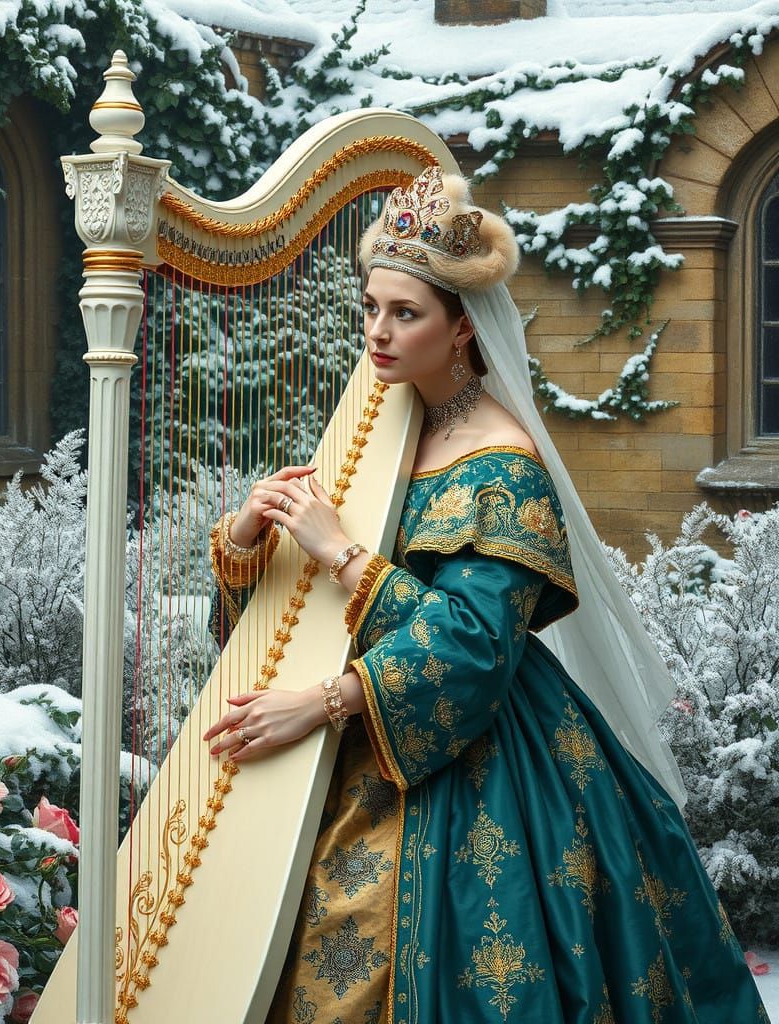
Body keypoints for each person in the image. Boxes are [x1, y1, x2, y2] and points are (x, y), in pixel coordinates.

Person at [201, 166, 769, 1024]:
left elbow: (472, 647)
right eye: (370, 308)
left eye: (407, 314)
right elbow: (290, 629)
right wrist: (245, 543)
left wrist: (334, 616)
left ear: (463, 328)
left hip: (484, 751)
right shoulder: (391, 429)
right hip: (365, 724)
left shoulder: (503, 467)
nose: (378, 335)